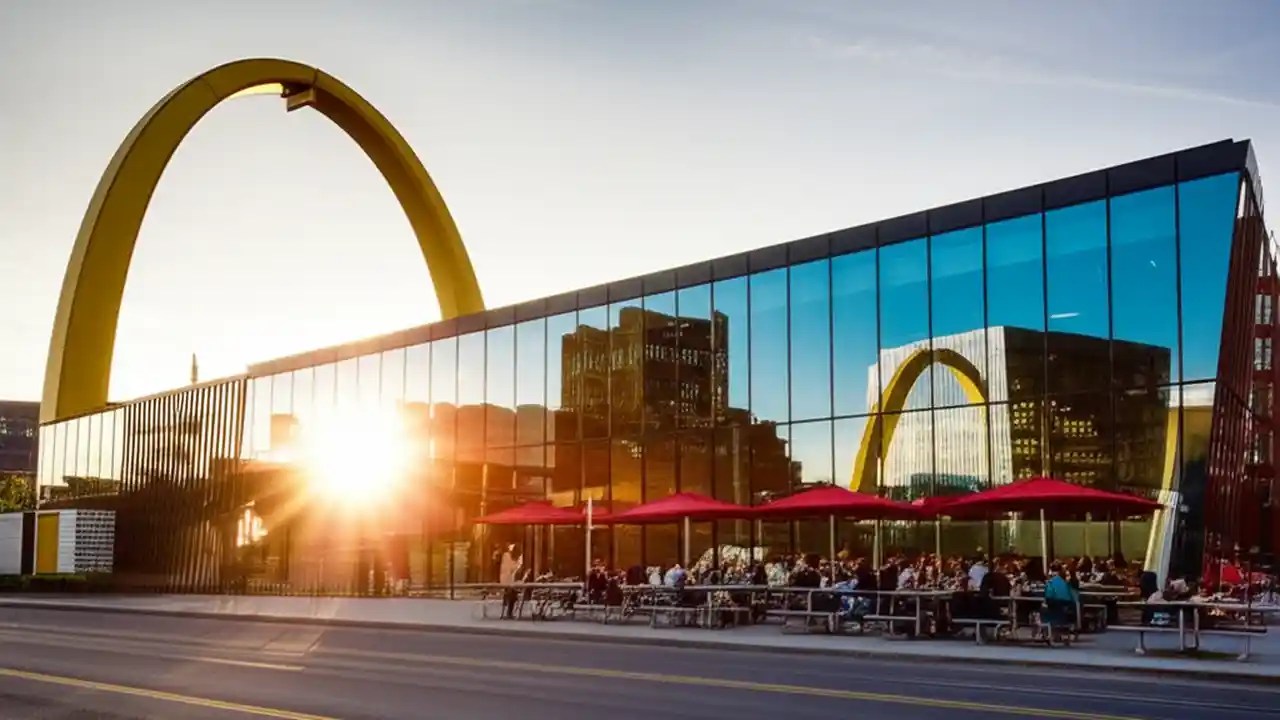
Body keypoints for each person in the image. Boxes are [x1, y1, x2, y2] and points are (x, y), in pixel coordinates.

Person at [499, 544, 523, 619]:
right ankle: (508, 612)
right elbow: (510, 568)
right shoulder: (507, 556)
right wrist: (518, 564)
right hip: (506, 580)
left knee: (513, 594)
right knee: (511, 594)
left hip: (510, 581)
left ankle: (508, 612)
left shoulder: (510, 557)